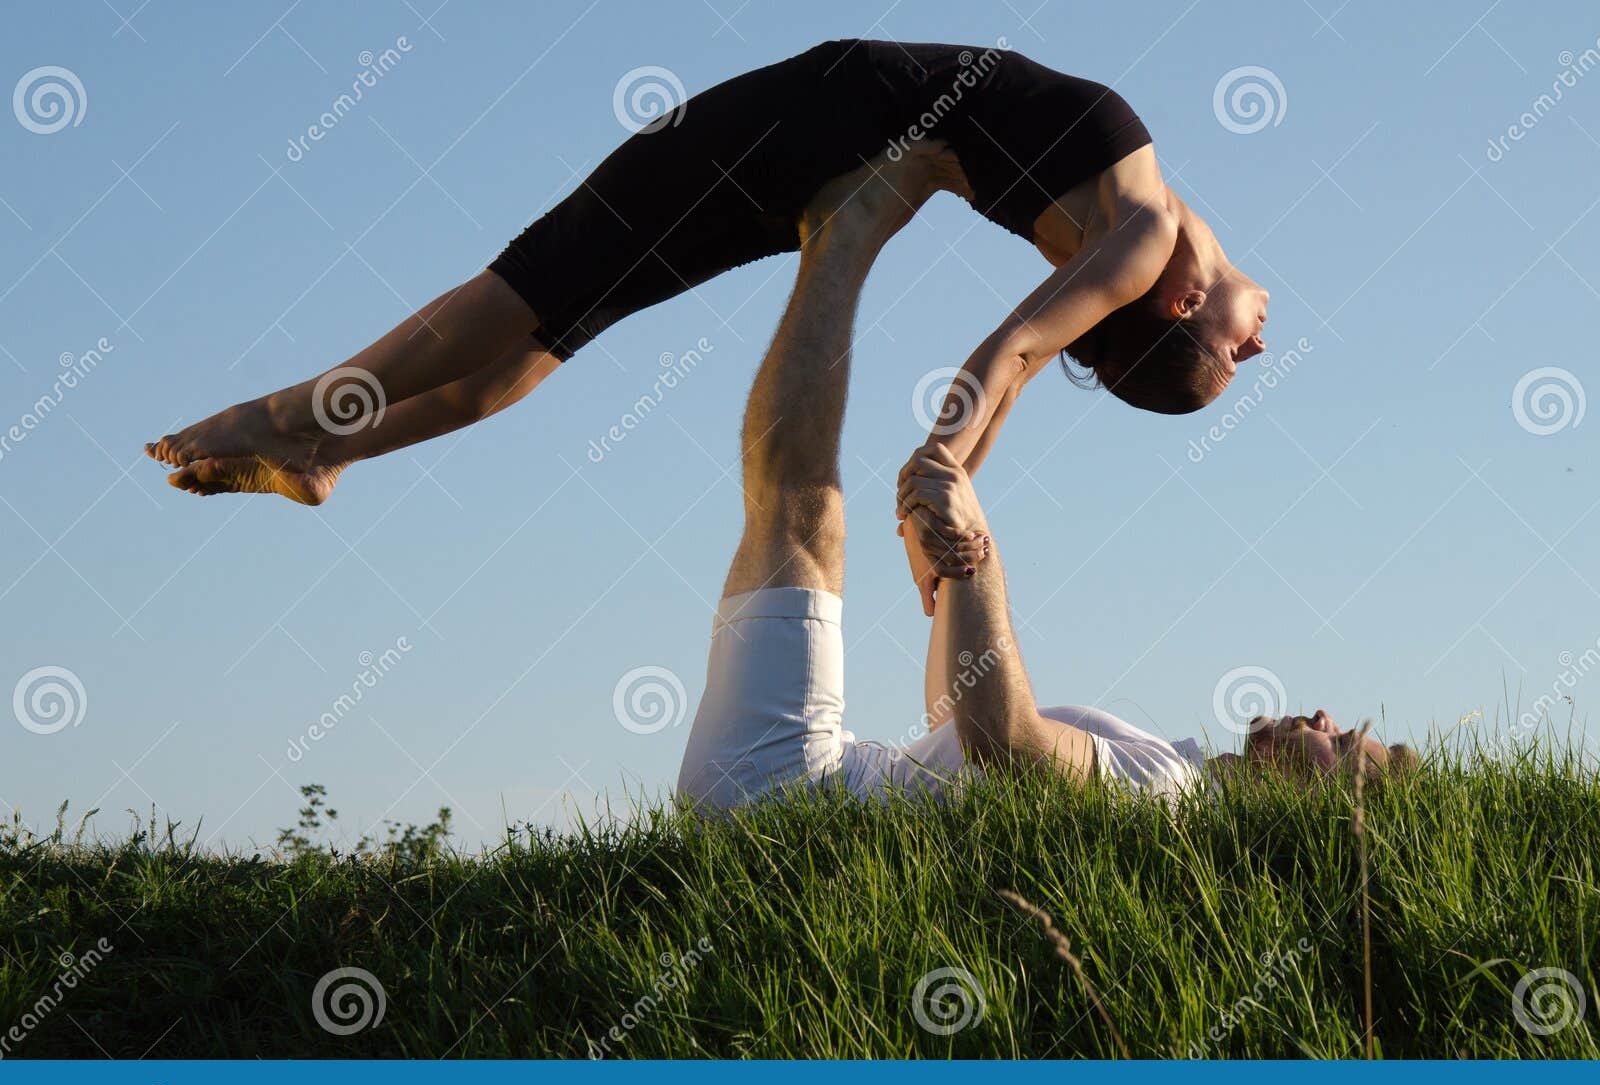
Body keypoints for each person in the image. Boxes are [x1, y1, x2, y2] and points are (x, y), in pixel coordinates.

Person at [144, 39, 1268, 605]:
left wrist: (937, 470)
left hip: (815, 122)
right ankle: (328, 448)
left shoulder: (1139, 233)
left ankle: (294, 418)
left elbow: (1012, 355)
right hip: (832, 154)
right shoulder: (1125, 243)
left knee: (530, 296)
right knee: (539, 339)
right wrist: (946, 490)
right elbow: (1019, 372)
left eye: (1230, 351)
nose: (1258, 338)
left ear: (1174, 304)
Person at [677, 157, 1401, 812]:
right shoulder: (1171, 771)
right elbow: (956, 718)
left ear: (1311, 810)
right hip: (786, 787)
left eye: (1338, 746)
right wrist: (951, 569)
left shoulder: (1167, 795)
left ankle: (844, 221)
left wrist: (969, 547)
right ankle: (837, 224)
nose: (1324, 719)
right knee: (793, 507)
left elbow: (1010, 746)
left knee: (804, 509)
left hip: (785, 789)